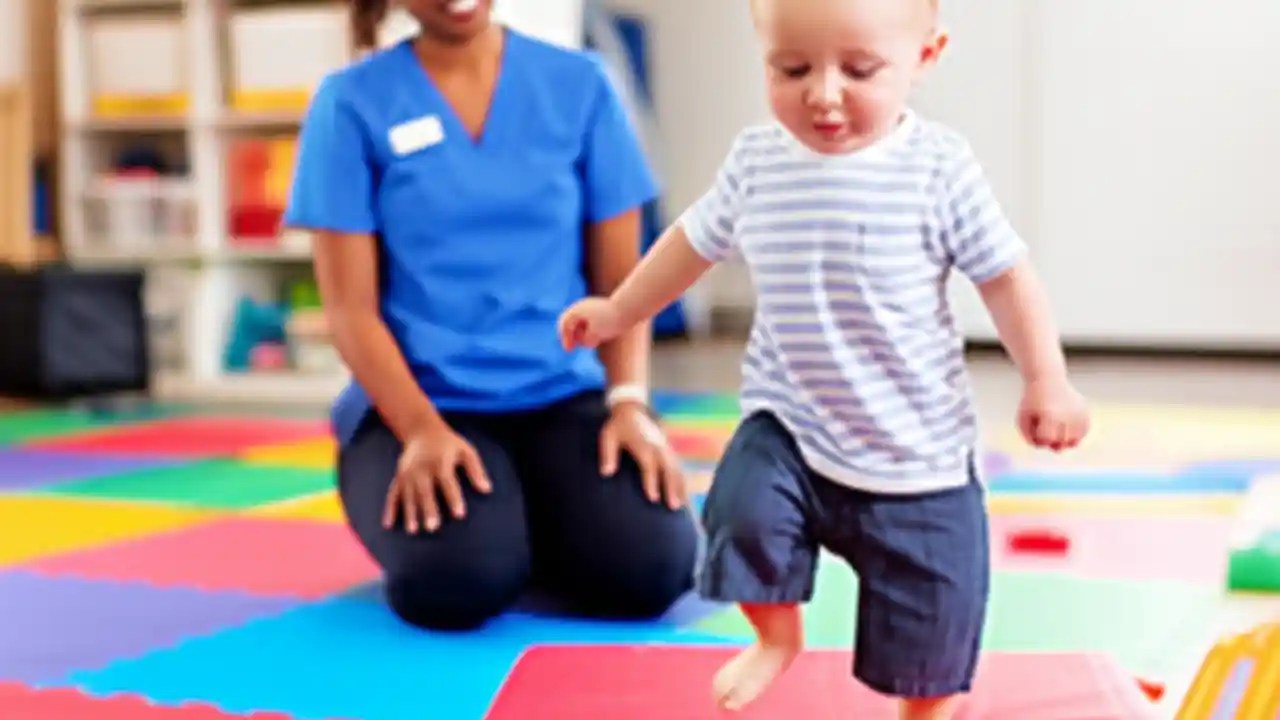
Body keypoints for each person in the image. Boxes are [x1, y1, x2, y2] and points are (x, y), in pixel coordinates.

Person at [557, 0, 1091, 716]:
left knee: (931, 650)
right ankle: (776, 637)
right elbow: (691, 244)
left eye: (860, 69)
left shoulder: (937, 167)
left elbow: (1005, 275)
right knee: (740, 512)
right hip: (792, 431)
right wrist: (621, 309)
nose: (823, 93)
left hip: (916, 458)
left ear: (924, 58)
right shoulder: (758, 160)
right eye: (791, 67)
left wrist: (1046, 377)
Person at [282, 0, 700, 632]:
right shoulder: (350, 103)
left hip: (562, 395)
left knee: (652, 572)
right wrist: (420, 430)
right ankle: (503, 530)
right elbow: (350, 311)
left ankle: (526, 521)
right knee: (456, 586)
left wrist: (629, 404)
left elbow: (620, 285)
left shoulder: (581, 86)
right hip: (418, 407)